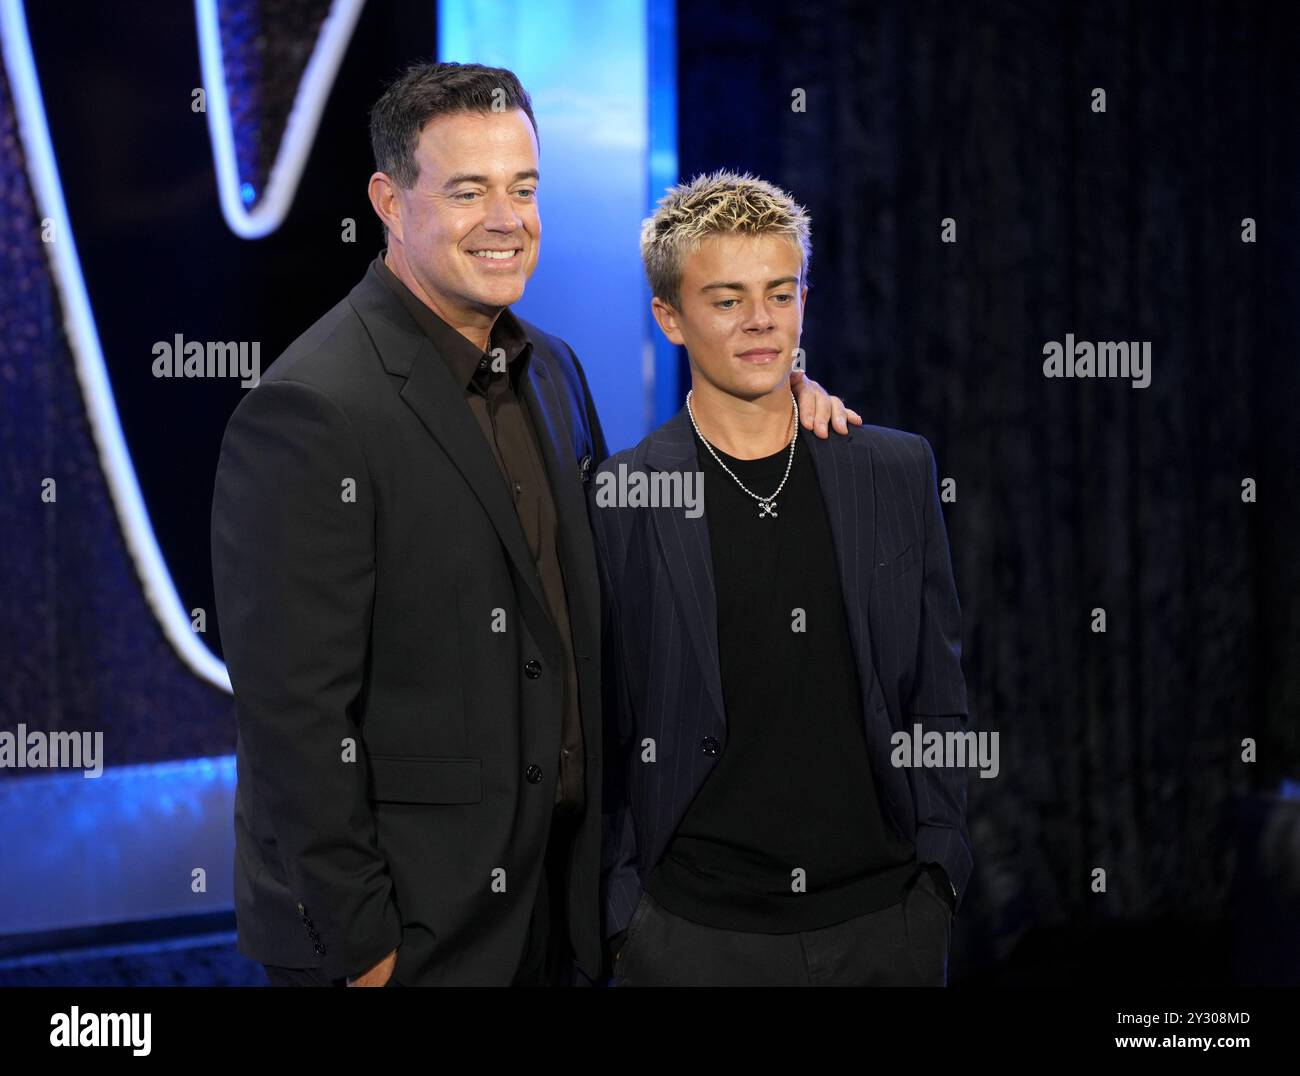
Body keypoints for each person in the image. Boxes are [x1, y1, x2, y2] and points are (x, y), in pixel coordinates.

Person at [210, 64, 858, 987]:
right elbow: (292, 722)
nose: (507, 218)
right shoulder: (312, 409)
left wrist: (770, 402)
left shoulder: (552, 373)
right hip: (413, 935)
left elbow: (621, 567)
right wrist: (363, 950)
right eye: (469, 191)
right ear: (388, 202)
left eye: (524, 187)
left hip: (560, 918)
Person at [594, 172, 971, 986]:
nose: (762, 322)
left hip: (886, 924)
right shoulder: (621, 497)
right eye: (726, 300)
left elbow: (938, 692)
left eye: (780, 292)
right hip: (693, 936)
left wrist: (940, 870)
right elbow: (603, 728)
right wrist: (626, 919)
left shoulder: (892, 469)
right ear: (670, 318)